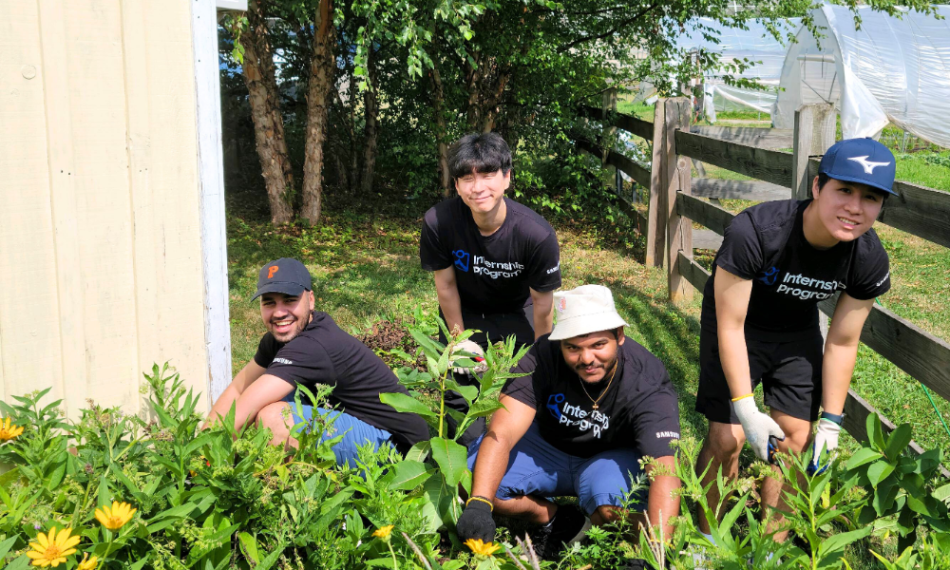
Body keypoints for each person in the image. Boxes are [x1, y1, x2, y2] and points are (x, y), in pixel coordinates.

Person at [694, 138, 896, 545]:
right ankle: (707, 540)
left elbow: (843, 341)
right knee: (728, 437)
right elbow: (730, 326)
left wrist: (832, 423)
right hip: (738, 326)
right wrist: (745, 409)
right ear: (818, 186)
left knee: (796, 438)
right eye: (844, 190)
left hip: (796, 330)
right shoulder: (755, 232)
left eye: (870, 198)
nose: (855, 207)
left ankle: (771, 547)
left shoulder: (868, 258)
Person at [457, 285, 682, 564]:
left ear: (619, 336)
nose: (586, 359)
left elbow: (664, 469)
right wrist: (480, 504)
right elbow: (501, 433)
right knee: (471, 479)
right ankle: (557, 519)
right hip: (548, 446)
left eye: (598, 345)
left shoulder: (645, 379)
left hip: (610, 455)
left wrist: (658, 552)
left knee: (615, 511)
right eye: (573, 347)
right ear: (560, 342)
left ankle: (648, 544)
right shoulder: (541, 356)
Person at [206, 258, 430, 465]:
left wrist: (203, 462)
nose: (279, 313)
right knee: (268, 393)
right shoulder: (279, 340)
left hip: (400, 451)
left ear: (311, 300)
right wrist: (203, 442)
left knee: (275, 418)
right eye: (269, 303)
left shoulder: (314, 345)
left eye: (289, 300)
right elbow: (238, 389)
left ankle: (293, 488)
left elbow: (244, 410)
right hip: (359, 425)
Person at [419, 132, 562, 445]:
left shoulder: (535, 234)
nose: (478, 187)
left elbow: (542, 305)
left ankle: (532, 446)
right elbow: (445, 286)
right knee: (459, 381)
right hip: (466, 309)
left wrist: (543, 356)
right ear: (456, 185)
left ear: (507, 177)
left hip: (519, 308)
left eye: (487, 175)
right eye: (467, 178)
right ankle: (466, 452)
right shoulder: (439, 222)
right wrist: (459, 341)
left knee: (538, 379)